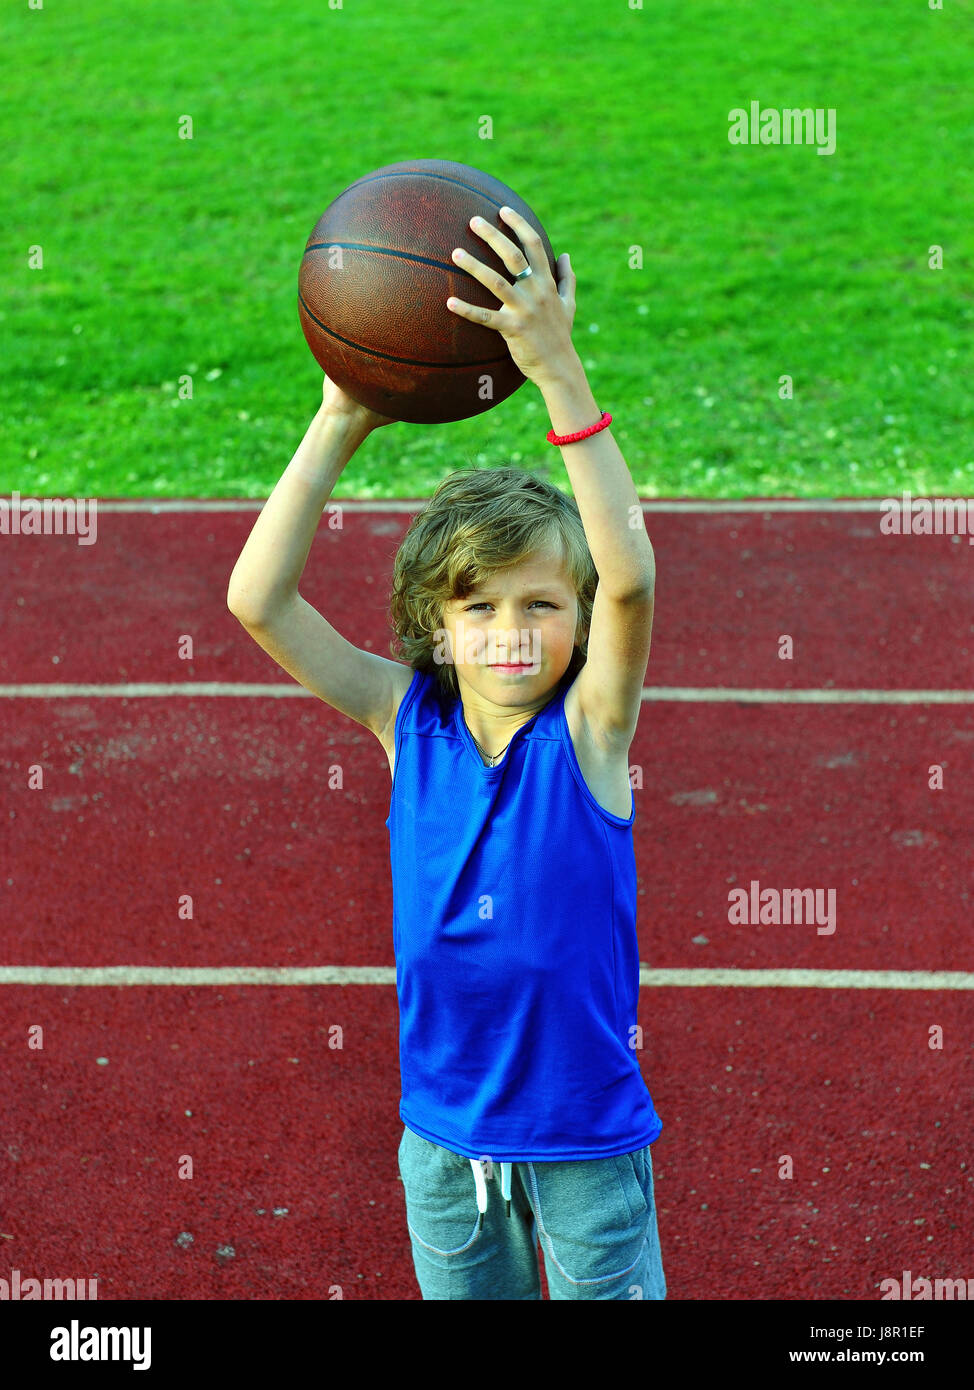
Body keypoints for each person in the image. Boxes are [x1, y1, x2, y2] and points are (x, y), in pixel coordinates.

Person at [227, 207, 665, 1299]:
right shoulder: (401, 718)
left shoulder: (590, 729)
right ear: (434, 625)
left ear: (573, 614)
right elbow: (258, 601)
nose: (511, 629)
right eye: (477, 606)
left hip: (583, 1141)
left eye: (539, 602)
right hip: (442, 1144)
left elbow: (631, 578)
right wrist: (338, 419)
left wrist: (557, 371)